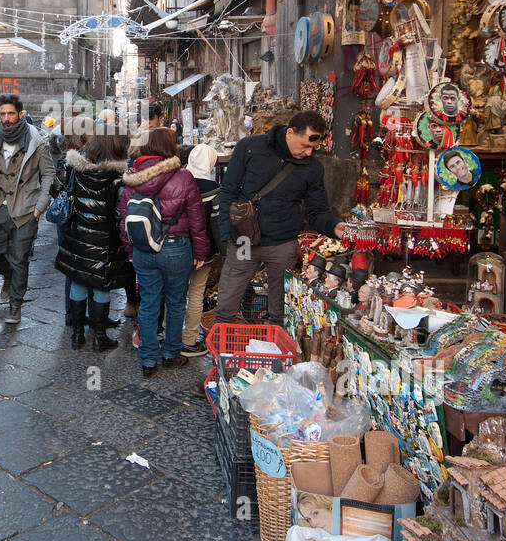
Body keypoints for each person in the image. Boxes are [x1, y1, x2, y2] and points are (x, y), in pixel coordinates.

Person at [215, 111, 345, 325]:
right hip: (244, 240)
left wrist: (334, 226)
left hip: (282, 244)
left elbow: (316, 211)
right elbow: (228, 191)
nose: (309, 152)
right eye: (305, 146)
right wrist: (227, 233)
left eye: (313, 148)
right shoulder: (250, 147)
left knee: (281, 311)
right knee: (227, 304)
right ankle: (222, 349)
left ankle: (277, 352)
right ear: (290, 132)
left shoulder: (312, 168)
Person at [118, 128, 208, 378]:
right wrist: (201, 250)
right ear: (171, 148)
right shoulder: (184, 177)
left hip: (143, 249)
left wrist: (130, 250)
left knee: (148, 302)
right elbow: (196, 217)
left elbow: (124, 221)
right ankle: (170, 354)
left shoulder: (131, 178)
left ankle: (148, 360)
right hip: (176, 247)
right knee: (176, 302)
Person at [0, 93, 55, 324]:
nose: (7, 118)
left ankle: (15, 304)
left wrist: (40, 207)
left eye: (11, 113)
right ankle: (8, 275)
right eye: (3, 114)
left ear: (20, 114)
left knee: (20, 258)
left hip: (26, 208)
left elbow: (49, 174)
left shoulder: (37, 140)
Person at [54, 132, 130, 351]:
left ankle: (77, 336)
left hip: (78, 235)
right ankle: (99, 337)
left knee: (78, 281)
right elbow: (118, 215)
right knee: (101, 286)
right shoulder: (117, 179)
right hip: (105, 240)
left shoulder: (77, 169)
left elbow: (63, 193)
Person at [181, 143, 222, 357]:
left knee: (175, 293)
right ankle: (189, 340)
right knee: (196, 293)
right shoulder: (215, 189)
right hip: (204, 253)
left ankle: (169, 336)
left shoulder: (178, 182)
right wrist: (222, 252)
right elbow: (216, 226)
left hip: (178, 249)